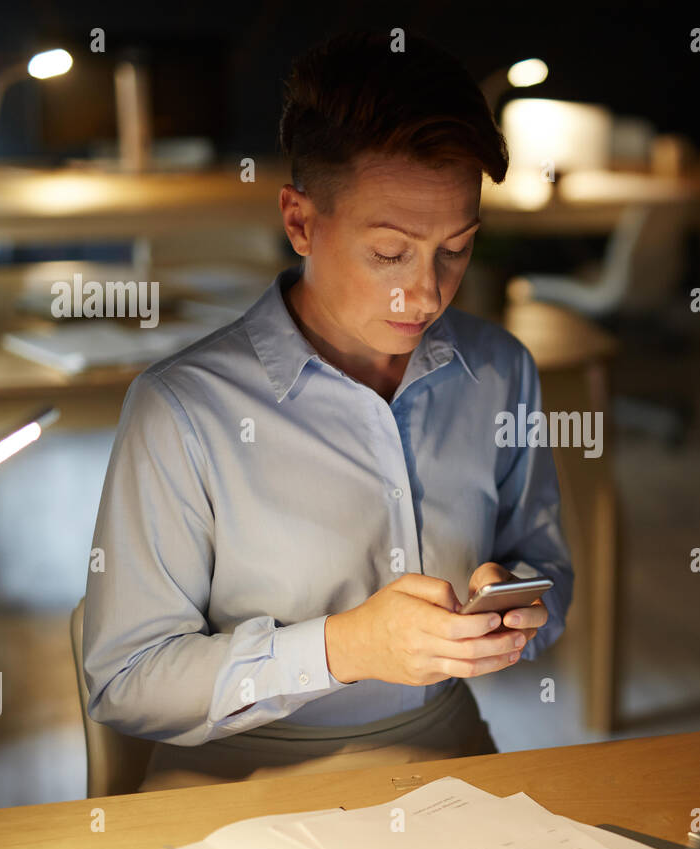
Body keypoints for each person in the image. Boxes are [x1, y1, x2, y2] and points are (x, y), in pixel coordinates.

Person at [82, 29, 573, 791]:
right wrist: (343, 649)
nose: (429, 292)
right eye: (389, 253)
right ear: (300, 221)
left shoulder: (499, 371)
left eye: (457, 248)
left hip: (443, 755)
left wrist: (519, 608)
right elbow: (124, 680)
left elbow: (549, 573)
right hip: (233, 777)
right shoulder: (181, 409)